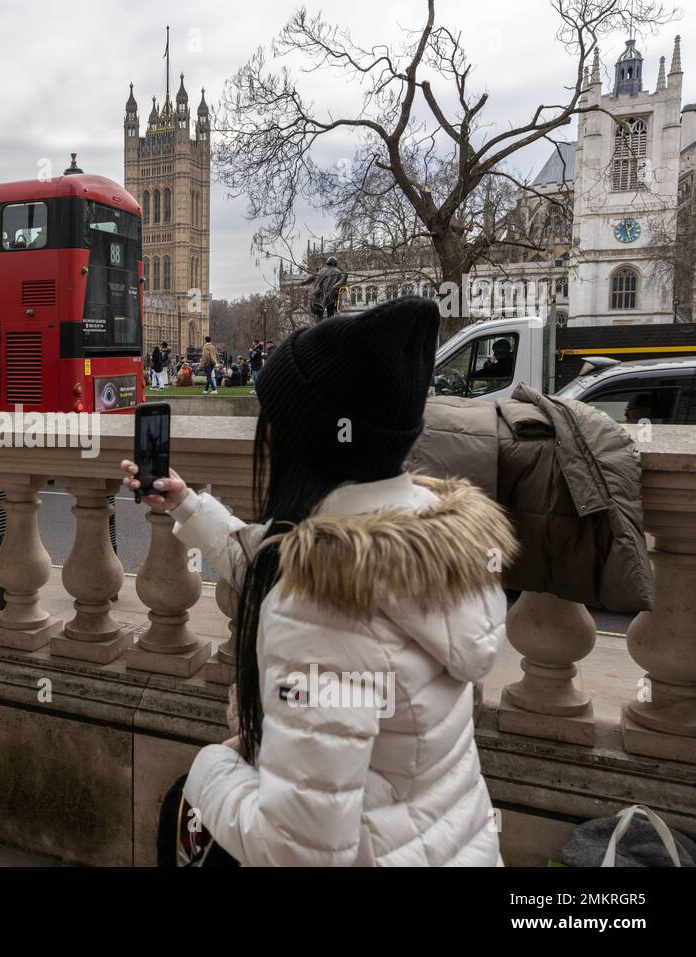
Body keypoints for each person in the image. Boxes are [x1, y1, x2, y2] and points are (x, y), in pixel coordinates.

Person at [122, 296, 512, 866]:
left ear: (304, 440)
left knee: (181, 813)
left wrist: (210, 769)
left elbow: (296, 851)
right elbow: (283, 555)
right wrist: (188, 507)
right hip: (455, 847)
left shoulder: (319, 607)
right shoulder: (429, 532)